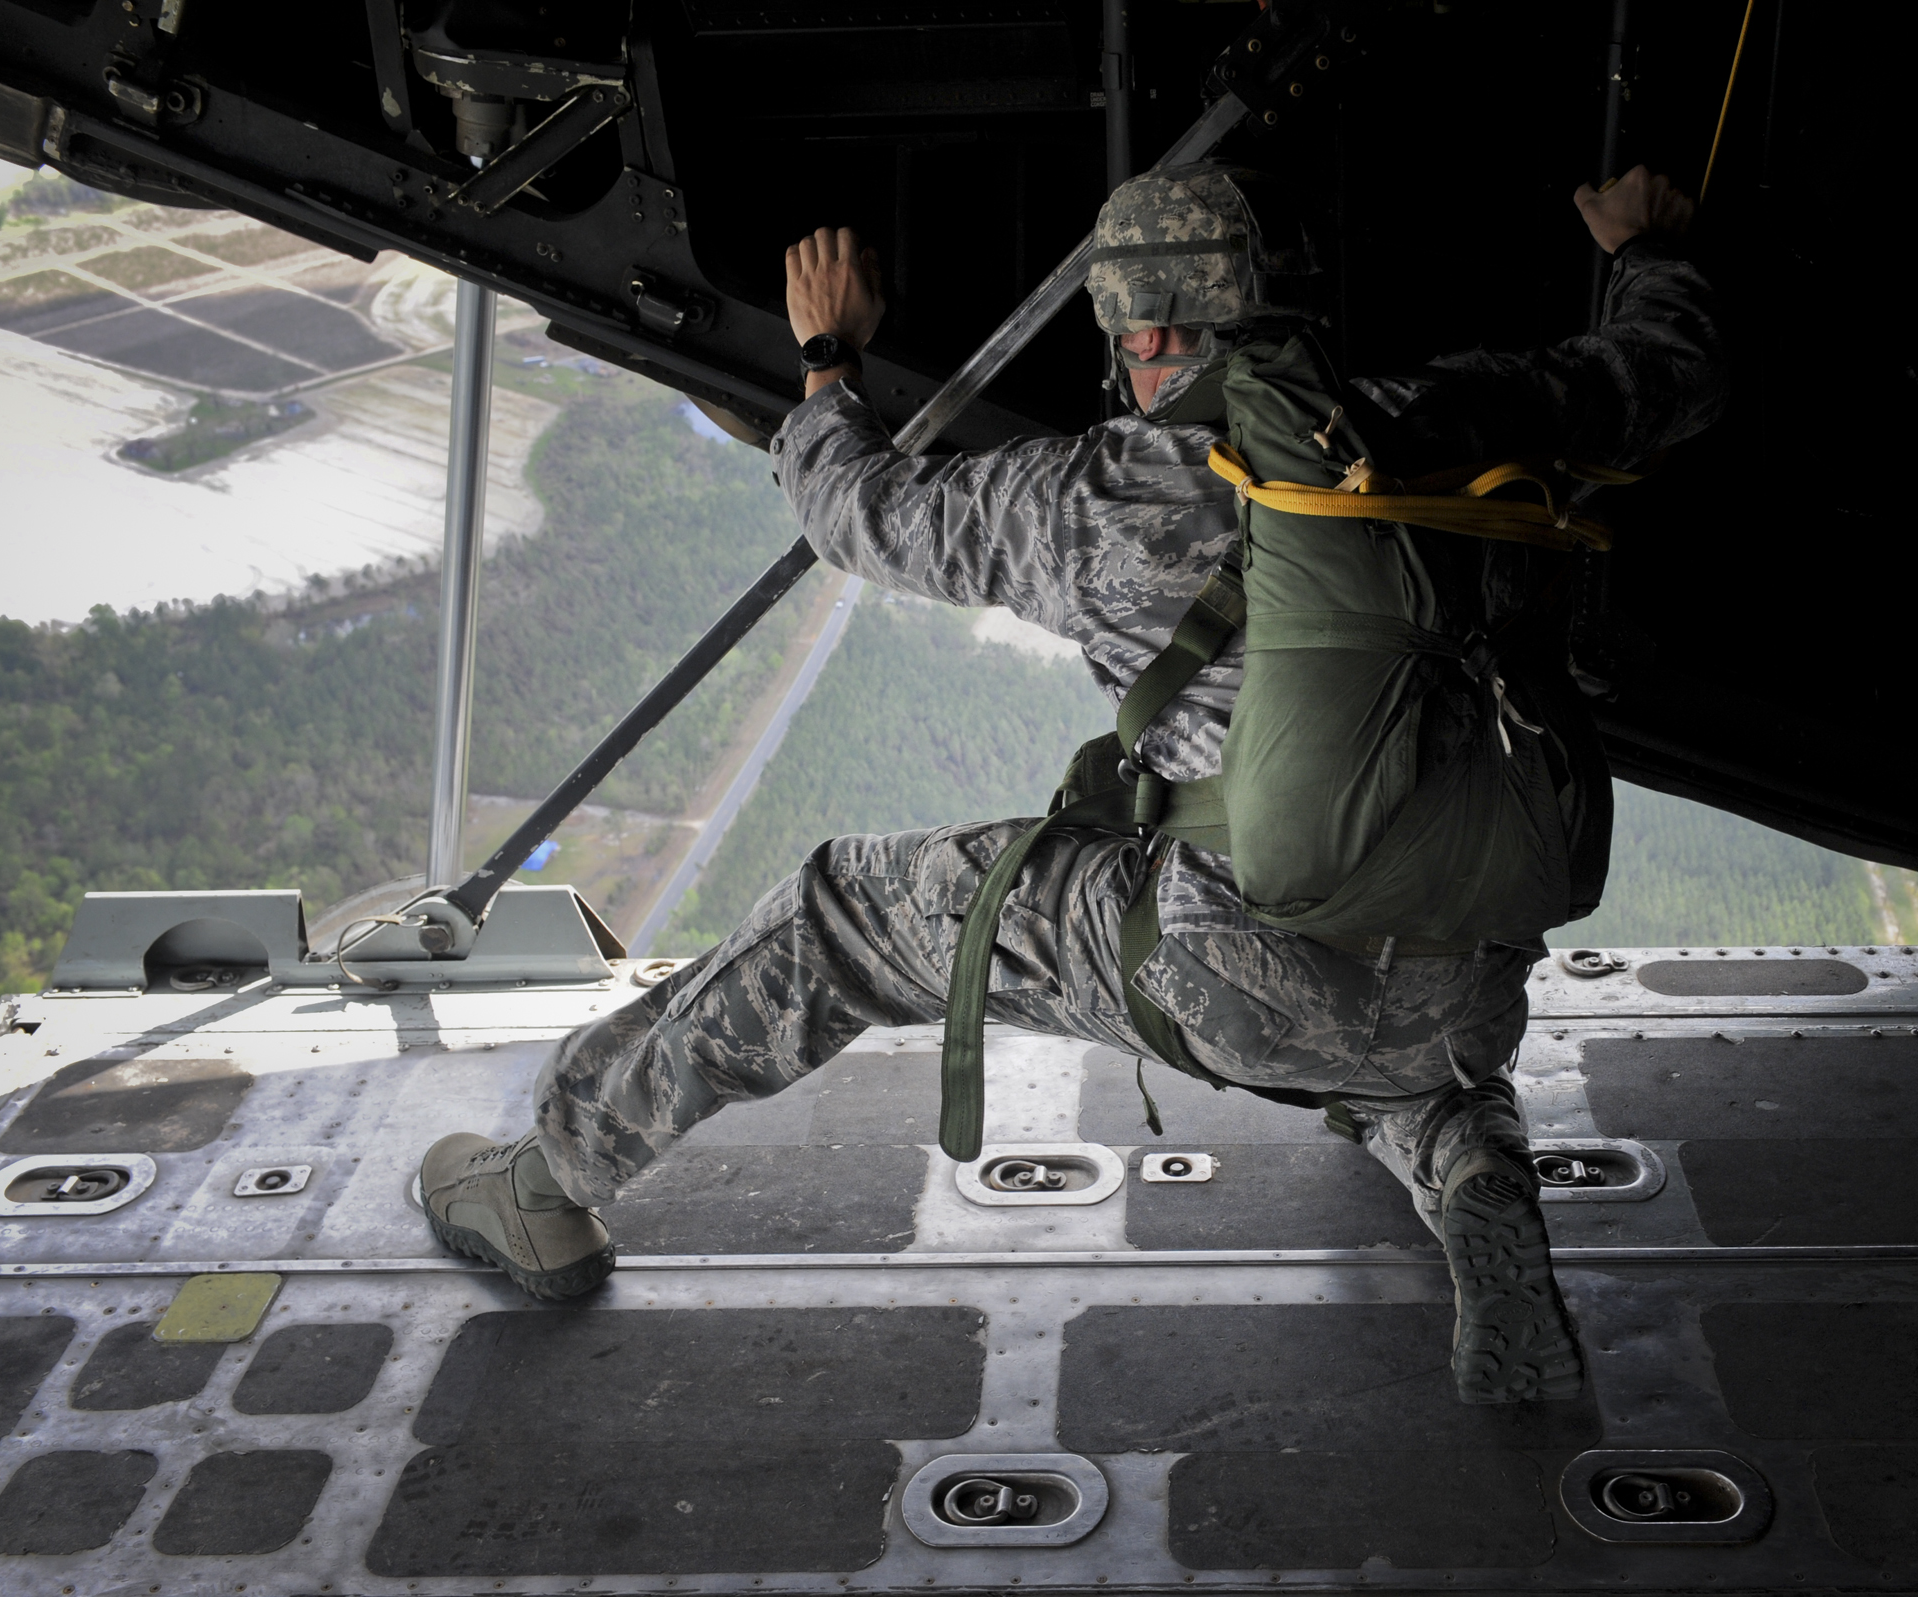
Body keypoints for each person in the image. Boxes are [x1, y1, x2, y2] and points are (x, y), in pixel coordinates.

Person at [417, 162, 1723, 1404]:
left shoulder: (1093, 498)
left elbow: (853, 510)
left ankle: (544, 1183)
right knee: (1406, 1038)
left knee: (843, 910)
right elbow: (1673, 371)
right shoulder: (1470, 414)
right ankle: (1468, 1156)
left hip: (1228, 976)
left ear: (1135, 337)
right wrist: (1646, 248)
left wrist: (829, 357)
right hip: (1463, 985)